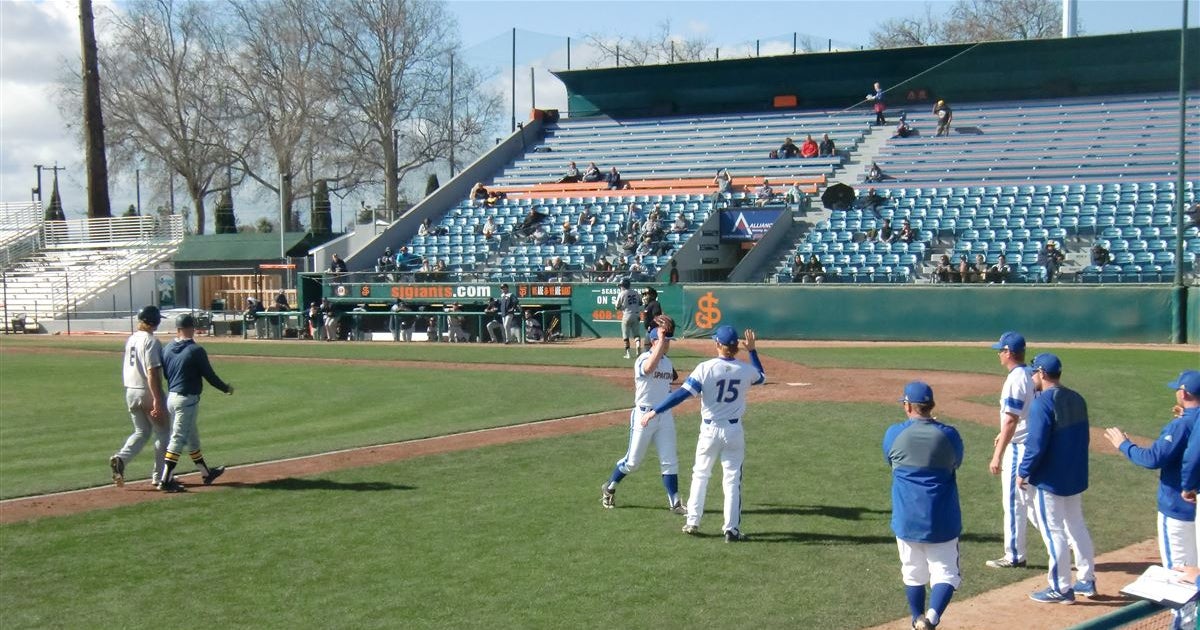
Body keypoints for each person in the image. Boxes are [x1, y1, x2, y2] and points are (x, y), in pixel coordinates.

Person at [640, 326, 766, 542]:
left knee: (700, 474)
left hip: (709, 430)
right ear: (737, 347)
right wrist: (752, 351)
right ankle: (731, 529)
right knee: (732, 480)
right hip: (734, 430)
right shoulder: (745, 370)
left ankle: (693, 521)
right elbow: (762, 376)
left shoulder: (706, 368)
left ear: (717, 344)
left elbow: (681, 394)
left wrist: (655, 410)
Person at [1104, 372, 1198, 623]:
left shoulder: (1181, 424)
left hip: (1177, 512)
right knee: (1195, 572)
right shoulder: (1192, 420)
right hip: (1196, 513)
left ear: (1184, 393)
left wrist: (1123, 444)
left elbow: (1153, 458)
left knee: (1179, 581)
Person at [884, 381, 963, 630]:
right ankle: (932, 617)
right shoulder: (949, 435)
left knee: (912, 571)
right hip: (942, 518)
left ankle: (916, 620)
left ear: (908, 406)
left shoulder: (894, 434)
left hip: (907, 517)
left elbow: (890, 459)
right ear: (932, 406)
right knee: (946, 573)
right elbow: (955, 462)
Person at [1019, 353, 1097, 604]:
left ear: (1042, 373)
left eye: (1034, 372)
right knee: (1076, 525)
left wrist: (1023, 471)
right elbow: (1084, 439)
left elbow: (1036, 444)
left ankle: (1061, 588)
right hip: (1074, 475)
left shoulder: (1042, 403)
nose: (1032, 376)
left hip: (1050, 479)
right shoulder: (1077, 398)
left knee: (1054, 531)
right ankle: (1086, 579)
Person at [602, 318, 686, 514]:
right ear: (655, 341)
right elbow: (649, 368)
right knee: (633, 462)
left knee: (669, 459)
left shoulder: (667, 363)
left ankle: (674, 502)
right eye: (665, 340)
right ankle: (610, 486)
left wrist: (664, 333)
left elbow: (671, 378)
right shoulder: (642, 359)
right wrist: (658, 336)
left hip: (664, 415)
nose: (668, 344)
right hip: (643, 415)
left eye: (668, 340)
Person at [157, 314, 234, 493]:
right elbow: (210, 376)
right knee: (178, 438)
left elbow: (167, 374)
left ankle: (206, 473)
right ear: (190, 328)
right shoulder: (196, 350)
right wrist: (226, 388)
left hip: (172, 397)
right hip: (187, 399)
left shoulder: (167, 348)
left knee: (192, 438)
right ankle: (165, 479)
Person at [985, 331, 1038, 570]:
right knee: (1033, 500)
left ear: (1009, 352)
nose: (998, 354)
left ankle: (1015, 555)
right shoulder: (1032, 374)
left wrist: (998, 454)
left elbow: (1011, 420)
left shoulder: (1016, 379)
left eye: (1000, 350)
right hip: (1033, 443)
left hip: (1019, 448)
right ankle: (1067, 542)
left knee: (1014, 502)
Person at [109, 305, 169, 488]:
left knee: (142, 432)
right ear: (155, 322)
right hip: (147, 391)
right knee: (164, 433)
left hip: (131, 391)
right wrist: (158, 400)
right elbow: (152, 372)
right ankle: (160, 477)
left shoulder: (132, 339)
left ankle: (121, 458)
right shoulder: (151, 341)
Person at [615, 278, 643, 359]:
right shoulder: (636, 292)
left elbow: (617, 307)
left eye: (621, 286)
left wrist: (622, 307)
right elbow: (640, 303)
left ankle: (628, 353)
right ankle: (638, 347)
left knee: (625, 336)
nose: (620, 287)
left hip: (626, 315)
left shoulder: (621, 293)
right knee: (636, 334)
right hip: (636, 314)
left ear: (623, 286)